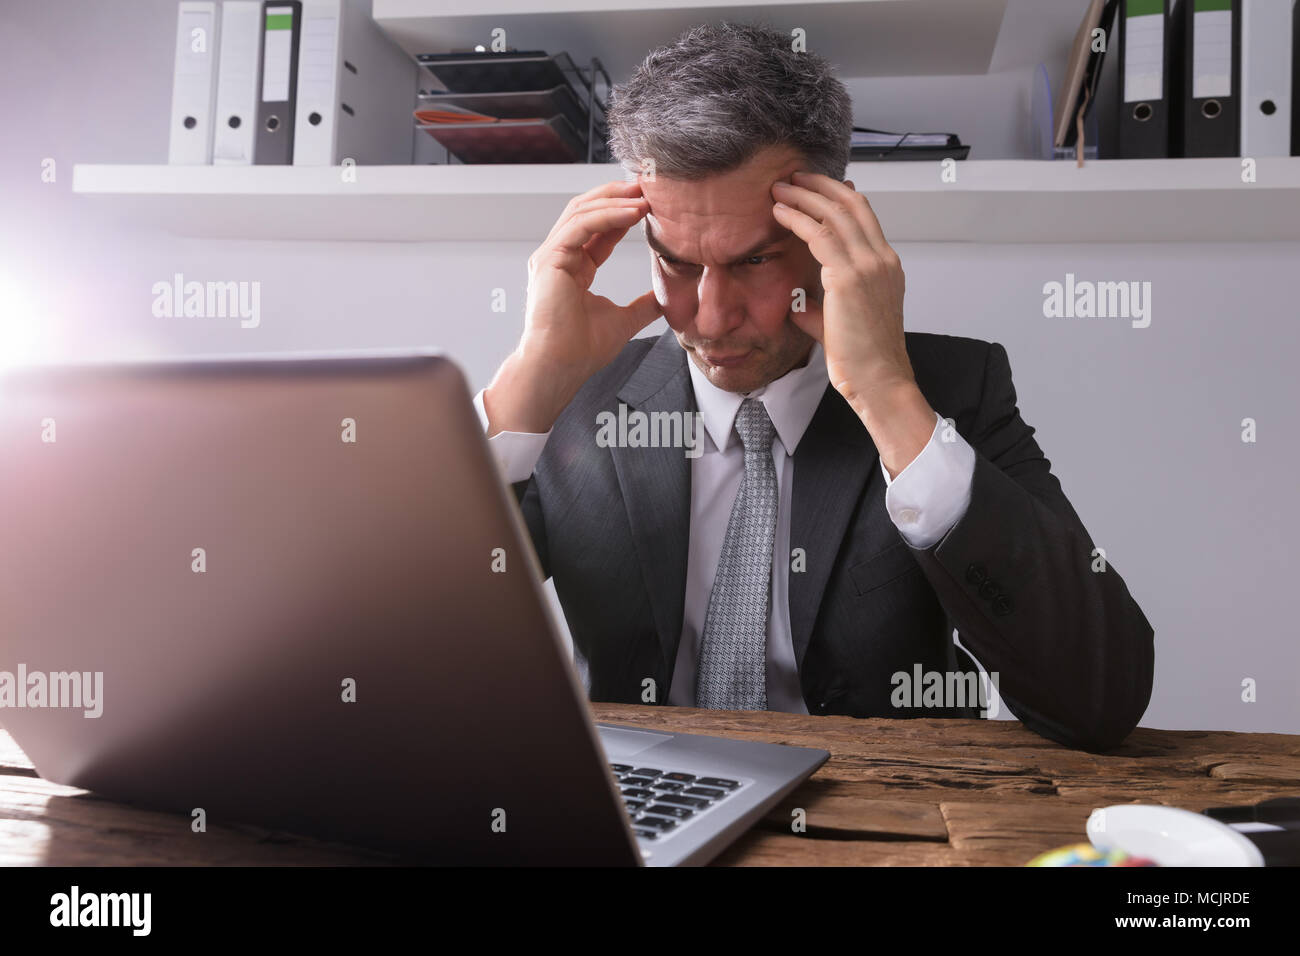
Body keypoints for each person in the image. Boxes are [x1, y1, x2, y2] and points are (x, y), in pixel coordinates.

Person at [474, 22, 1153, 751]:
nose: (710, 317)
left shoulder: (954, 389)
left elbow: (1097, 698)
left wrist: (890, 398)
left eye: (755, 261)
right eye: (674, 262)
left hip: (882, 821)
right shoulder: (577, 397)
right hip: (640, 818)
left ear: (835, 224)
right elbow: (396, 658)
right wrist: (528, 387)